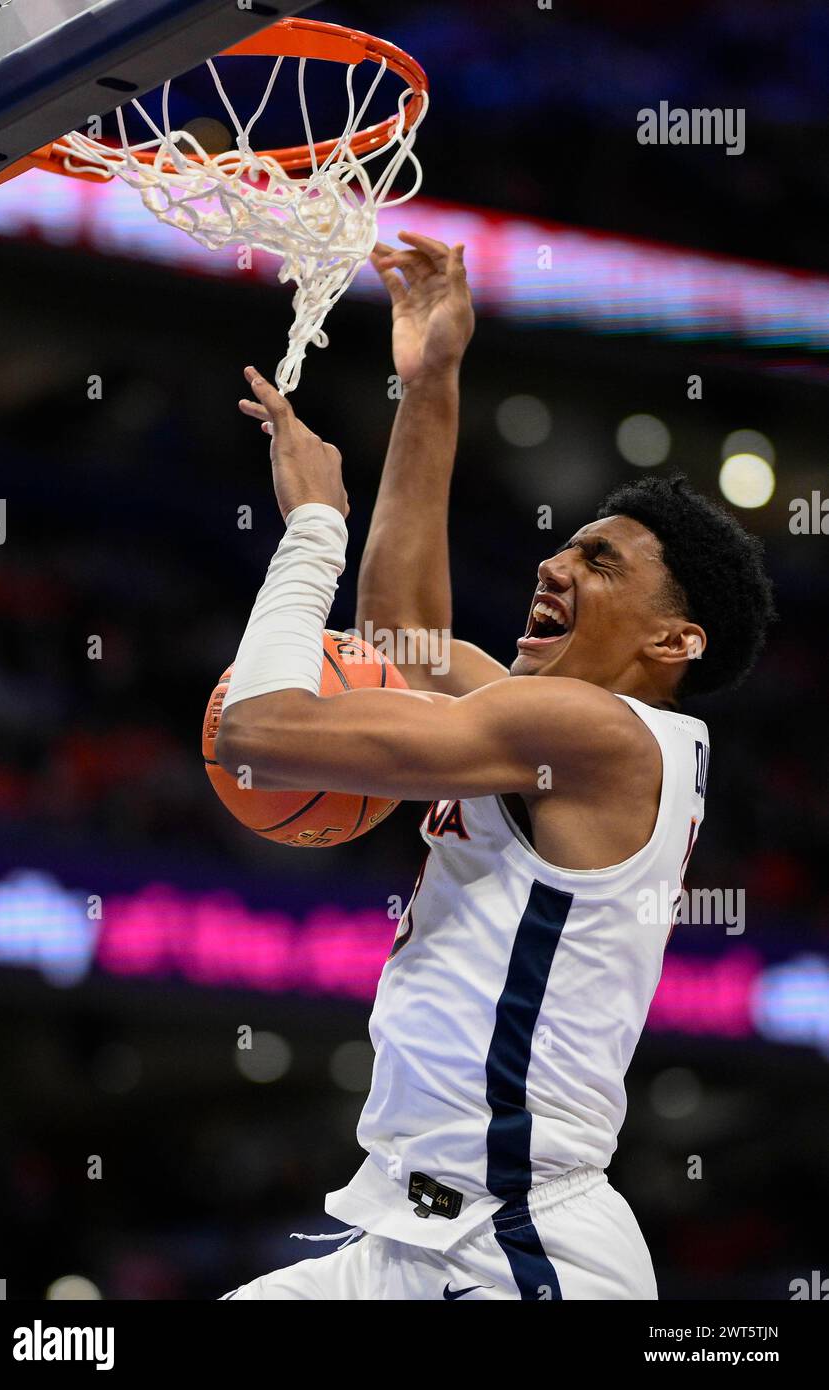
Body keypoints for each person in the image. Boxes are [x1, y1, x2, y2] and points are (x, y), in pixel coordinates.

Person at [216, 234, 775, 1300]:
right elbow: (399, 636)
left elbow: (256, 730)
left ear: (673, 640)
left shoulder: (596, 737)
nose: (551, 562)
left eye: (597, 562)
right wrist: (431, 381)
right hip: (407, 1232)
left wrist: (313, 531)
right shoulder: (565, 730)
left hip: (522, 1246)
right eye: (562, 544)